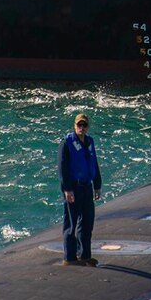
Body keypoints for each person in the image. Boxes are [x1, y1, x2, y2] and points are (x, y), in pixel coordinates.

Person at [58, 114, 101, 266]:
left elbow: (94, 163)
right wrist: (67, 189)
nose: (81, 128)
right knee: (71, 223)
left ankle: (85, 255)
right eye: (79, 125)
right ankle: (70, 257)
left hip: (86, 186)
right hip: (73, 187)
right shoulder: (66, 143)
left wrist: (97, 184)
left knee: (87, 221)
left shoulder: (89, 142)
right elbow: (62, 167)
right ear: (74, 126)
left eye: (84, 125)